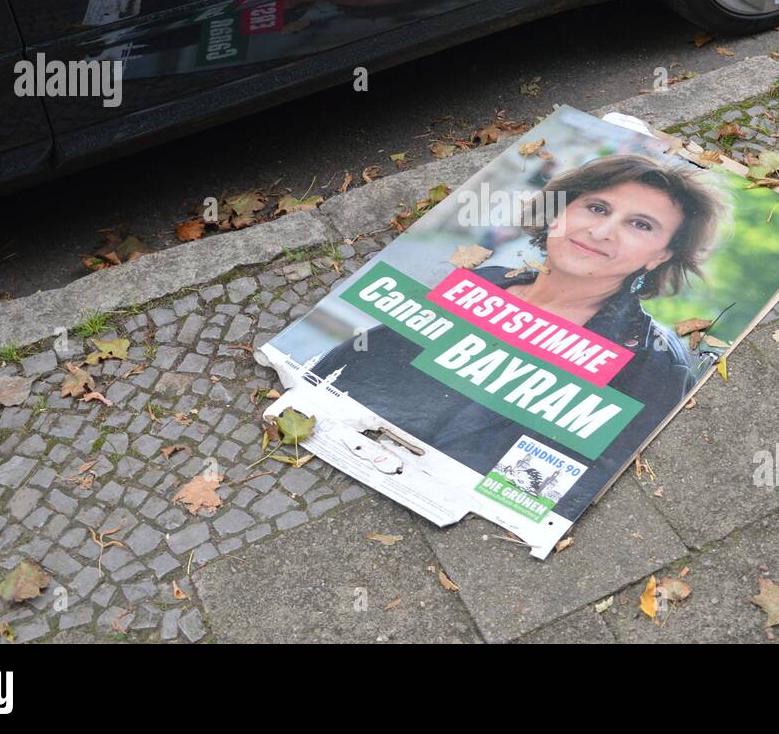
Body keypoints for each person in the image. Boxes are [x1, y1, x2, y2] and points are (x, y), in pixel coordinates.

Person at [309, 153, 726, 518]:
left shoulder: (652, 360)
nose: (601, 232)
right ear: (561, 213)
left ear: (662, 255)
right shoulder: (483, 281)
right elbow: (347, 369)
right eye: (597, 208)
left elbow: (565, 486)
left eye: (639, 224)